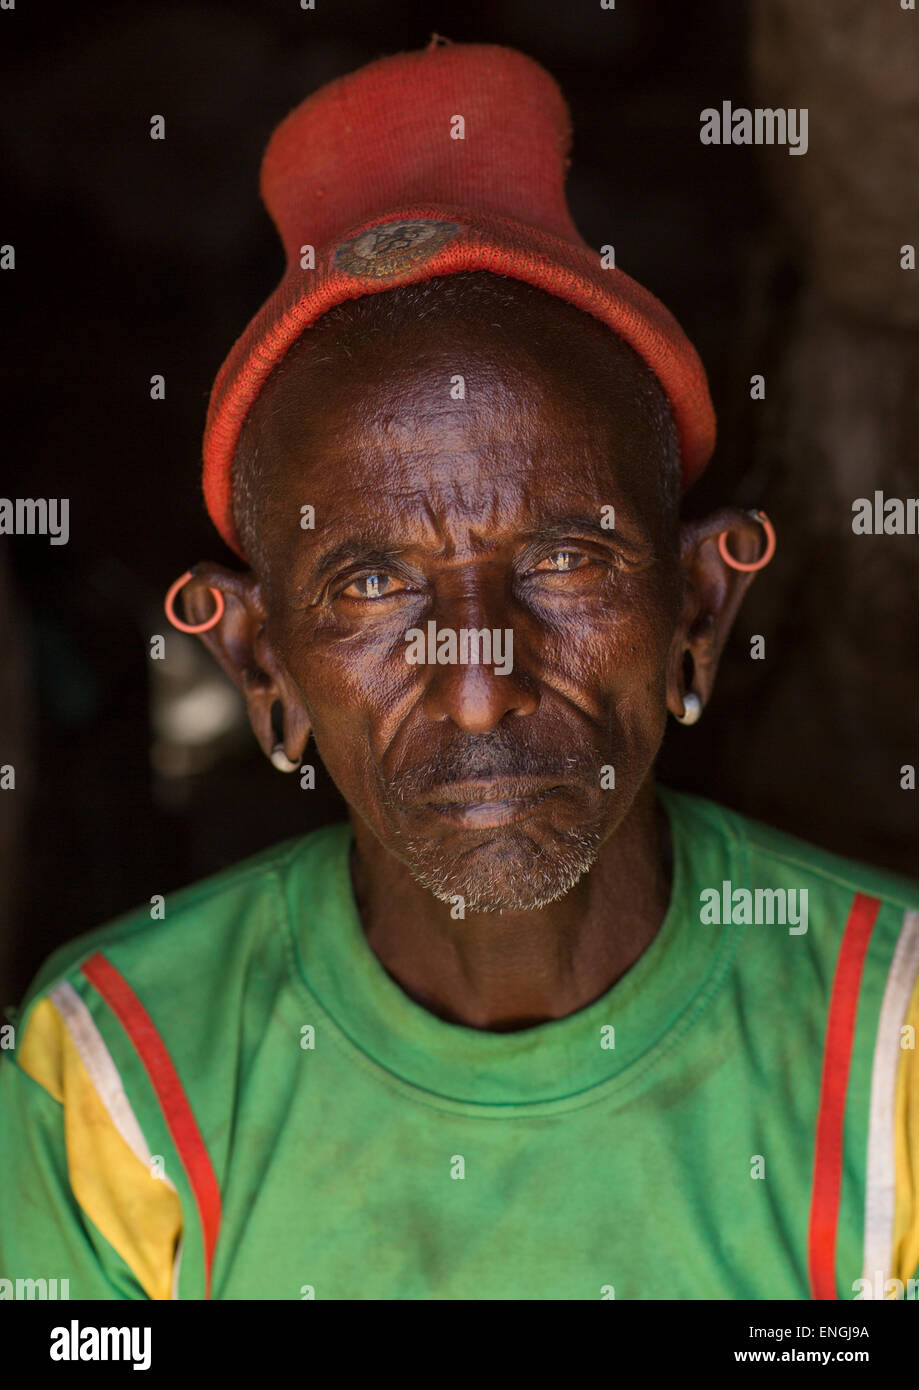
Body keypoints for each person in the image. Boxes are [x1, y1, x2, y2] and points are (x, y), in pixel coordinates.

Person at [1, 39, 916, 1303]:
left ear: (700, 608)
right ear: (258, 665)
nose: (481, 687)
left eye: (568, 560)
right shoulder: (109, 1086)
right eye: (369, 585)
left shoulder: (896, 1055)